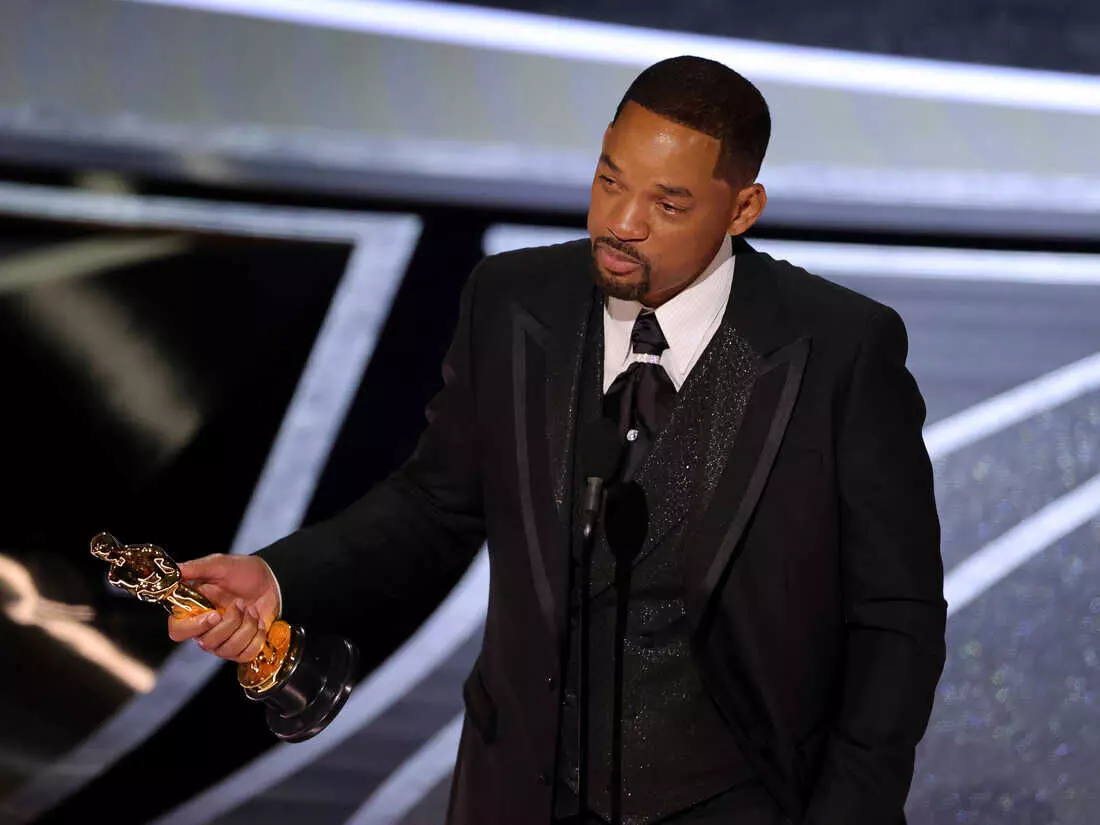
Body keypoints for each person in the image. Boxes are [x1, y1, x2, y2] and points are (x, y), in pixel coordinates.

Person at [168, 56, 946, 825]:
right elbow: (434, 505)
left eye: (667, 204)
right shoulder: (512, 301)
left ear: (742, 209)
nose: (621, 222)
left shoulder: (839, 349)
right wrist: (281, 577)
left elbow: (895, 616)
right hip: (523, 792)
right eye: (610, 180)